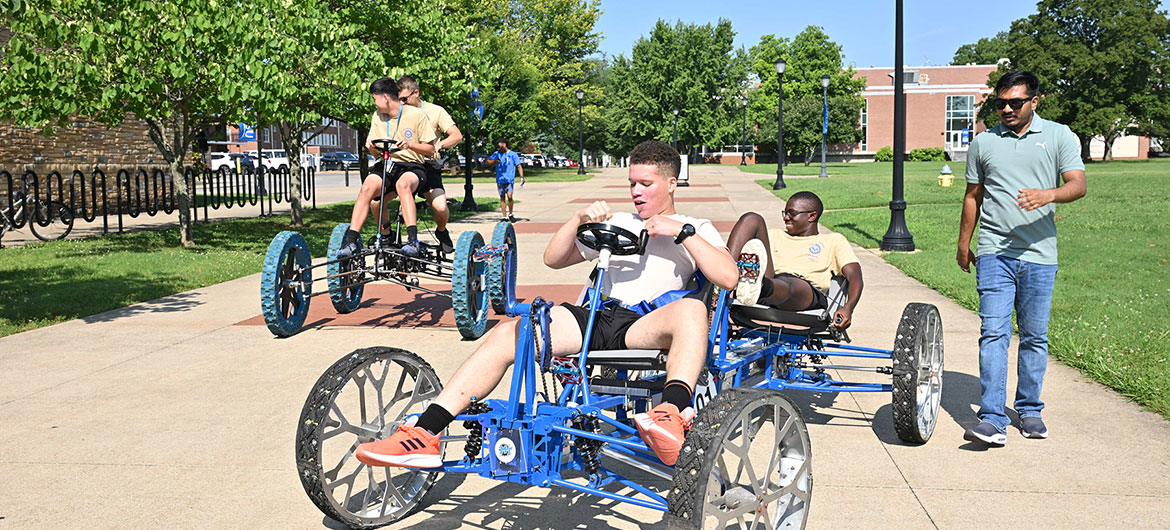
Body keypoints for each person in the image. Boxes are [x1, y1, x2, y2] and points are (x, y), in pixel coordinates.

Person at [354, 140, 738, 468]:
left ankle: (671, 413)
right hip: (598, 316)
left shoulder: (695, 225)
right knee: (511, 333)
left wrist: (682, 233)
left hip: (648, 322)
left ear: (671, 184)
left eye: (646, 184)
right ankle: (426, 432)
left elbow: (728, 277)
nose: (636, 192)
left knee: (692, 310)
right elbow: (554, 259)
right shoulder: (621, 219)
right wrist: (578, 219)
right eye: (632, 183)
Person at [958, 70, 1087, 446]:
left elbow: (1078, 184)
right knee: (993, 333)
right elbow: (972, 196)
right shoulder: (984, 142)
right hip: (994, 250)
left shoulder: (1059, 136)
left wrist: (1048, 195)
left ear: (1034, 101)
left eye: (1015, 102)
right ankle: (993, 418)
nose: (1007, 109)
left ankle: (1029, 409)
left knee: (1034, 336)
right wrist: (964, 244)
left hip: (1039, 254)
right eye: (1001, 103)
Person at [727, 191, 863, 329]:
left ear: (812, 216)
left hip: (804, 292)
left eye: (791, 213)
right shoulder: (774, 235)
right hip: (771, 281)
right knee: (751, 218)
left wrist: (848, 307)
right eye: (785, 213)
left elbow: (855, 276)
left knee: (789, 283)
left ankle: (756, 285)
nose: (785, 218)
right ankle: (724, 281)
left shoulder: (833, 240)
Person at [338, 77, 437, 258]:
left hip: (412, 165)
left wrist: (410, 145)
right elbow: (375, 153)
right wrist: (372, 148)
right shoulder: (378, 116)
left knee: (403, 185)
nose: (374, 103)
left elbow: (430, 150)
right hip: (388, 163)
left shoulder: (416, 115)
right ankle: (352, 241)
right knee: (367, 188)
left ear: (385, 98)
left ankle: (412, 240)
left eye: (374, 99)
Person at [397, 75, 462, 252]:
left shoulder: (435, 111)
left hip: (428, 165)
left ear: (416, 93)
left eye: (404, 99)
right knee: (374, 200)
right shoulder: (398, 113)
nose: (401, 103)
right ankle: (387, 236)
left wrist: (438, 145)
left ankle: (441, 231)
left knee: (441, 207)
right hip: (404, 165)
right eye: (398, 99)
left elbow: (456, 135)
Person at [484, 139, 524, 222]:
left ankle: (511, 214)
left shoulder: (513, 154)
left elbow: (519, 166)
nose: (500, 149)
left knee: (509, 196)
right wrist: (494, 161)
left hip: (509, 179)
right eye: (499, 147)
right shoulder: (497, 154)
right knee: (502, 197)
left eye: (501, 147)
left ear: (505, 144)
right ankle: (504, 216)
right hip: (500, 179)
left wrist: (521, 177)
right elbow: (487, 162)